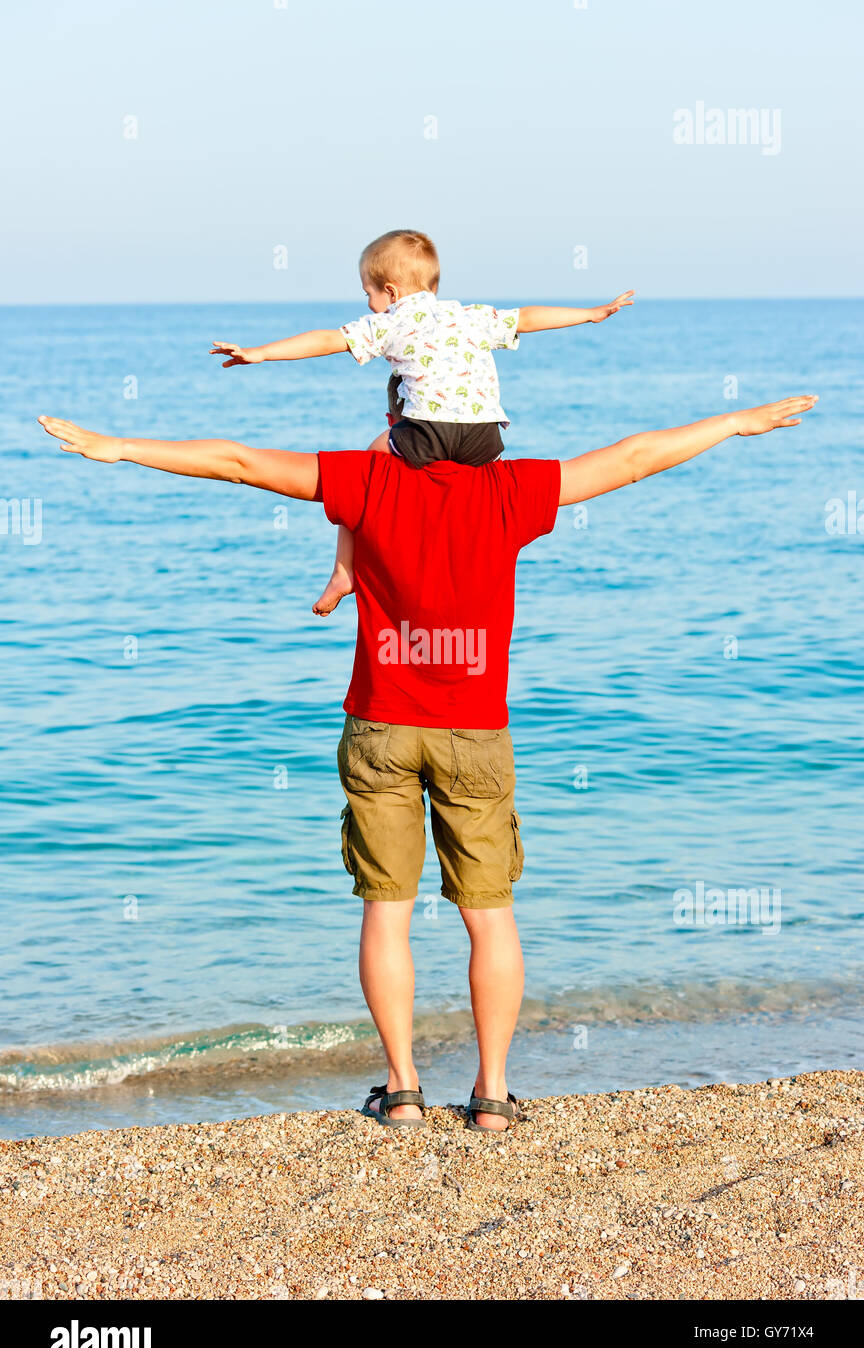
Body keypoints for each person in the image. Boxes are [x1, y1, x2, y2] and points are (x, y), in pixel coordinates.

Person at [37, 391, 817, 1131]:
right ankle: (493, 1095)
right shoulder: (510, 491)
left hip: (380, 726)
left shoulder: (362, 481)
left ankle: (403, 1091)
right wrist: (735, 423)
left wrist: (123, 446)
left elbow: (237, 462)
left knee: (388, 909)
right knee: (490, 915)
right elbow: (635, 456)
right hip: (474, 732)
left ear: (397, 418)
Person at [208, 228, 633, 614]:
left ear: (390, 292)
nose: (369, 303)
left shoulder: (390, 321)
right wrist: (590, 313)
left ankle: (344, 571)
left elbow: (325, 341)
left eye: (368, 294)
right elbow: (528, 317)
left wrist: (260, 353)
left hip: (428, 435)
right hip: (485, 442)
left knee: (365, 466)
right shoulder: (471, 316)